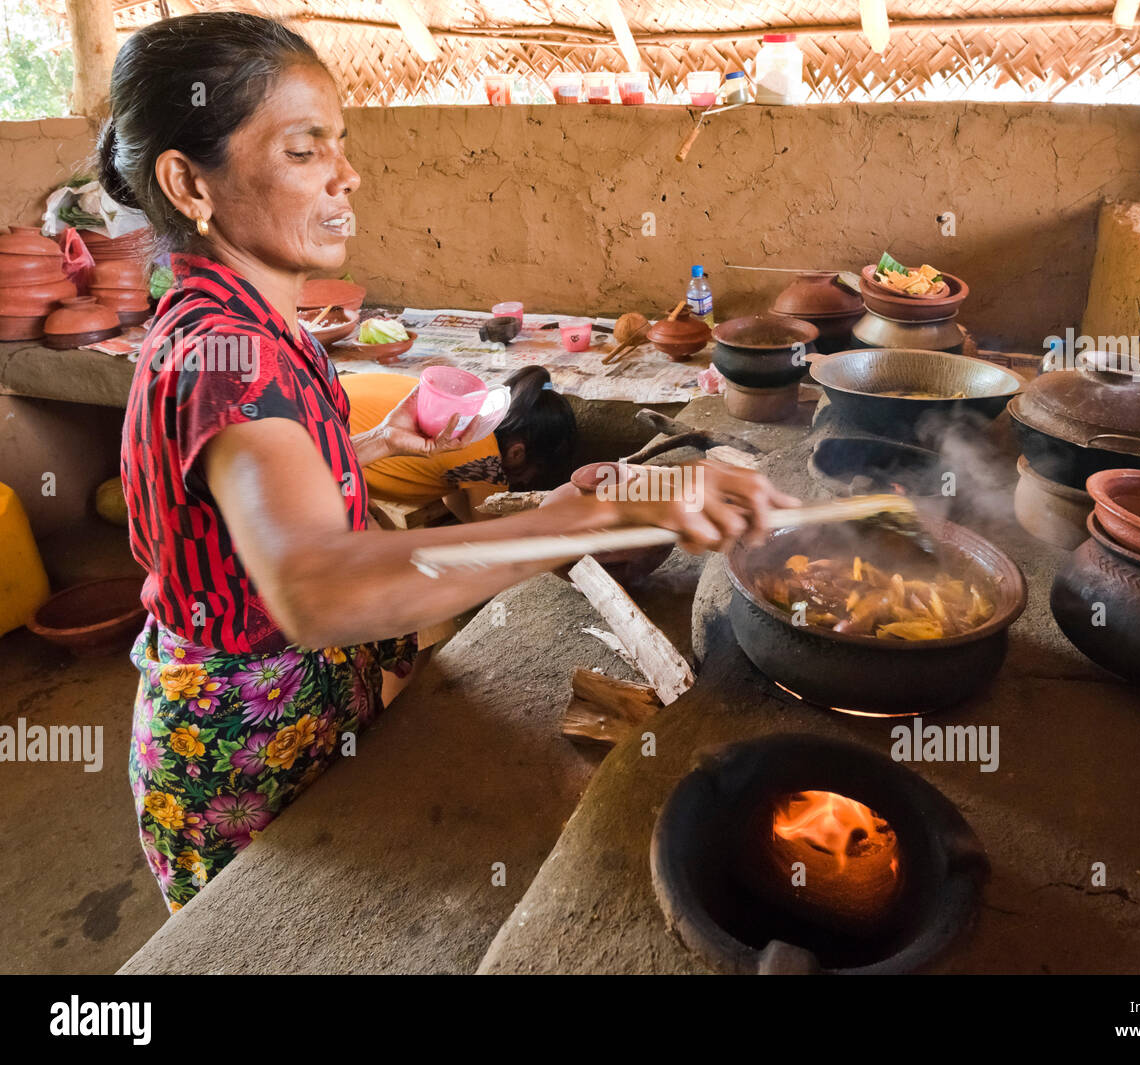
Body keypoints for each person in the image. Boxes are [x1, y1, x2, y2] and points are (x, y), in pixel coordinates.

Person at [103, 12, 799, 911]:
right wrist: (588, 518)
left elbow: (242, 497)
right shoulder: (227, 355)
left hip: (292, 706)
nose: (348, 175)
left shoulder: (233, 322)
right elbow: (313, 583)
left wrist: (363, 452)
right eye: (305, 150)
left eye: (340, 145)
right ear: (188, 182)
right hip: (246, 747)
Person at [341, 364, 575, 521]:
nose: (525, 481)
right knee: (381, 551)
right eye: (533, 473)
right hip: (323, 447)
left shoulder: (467, 424)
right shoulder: (487, 462)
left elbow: (455, 498)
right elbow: (491, 538)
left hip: (327, 413)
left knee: (383, 531)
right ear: (517, 453)